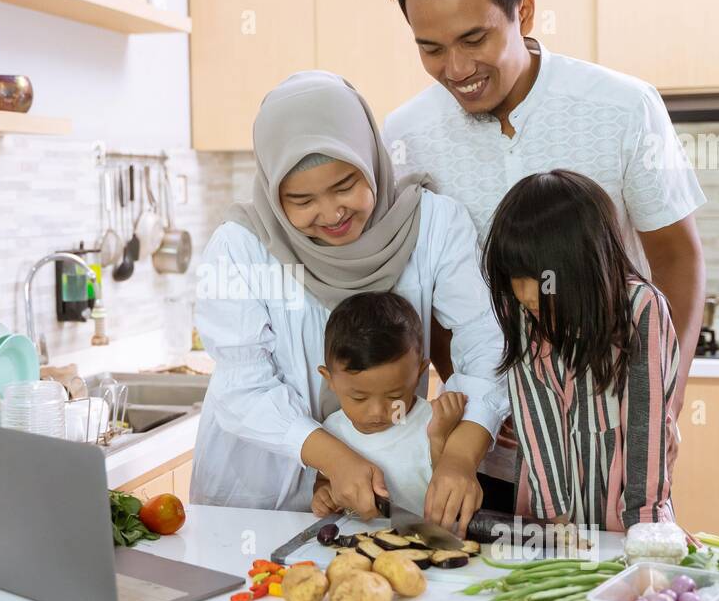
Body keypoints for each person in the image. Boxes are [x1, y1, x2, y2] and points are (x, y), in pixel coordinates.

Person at [383, 0, 706, 503]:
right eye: (430, 49)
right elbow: (428, 298)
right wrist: (466, 399)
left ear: (524, 12)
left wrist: (661, 404)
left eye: (474, 39)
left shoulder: (622, 106)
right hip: (481, 448)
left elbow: (677, 260)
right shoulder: (405, 137)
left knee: (606, 587)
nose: (455, 69)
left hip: (607, 442)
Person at [191, 70, 509, 530]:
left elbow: (487, 343)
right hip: (259, 492)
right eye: (301, 199)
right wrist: (334, 458)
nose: (332, 212)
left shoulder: (432, 225)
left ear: (371, 157)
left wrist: (461, 454)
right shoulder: (241, 247)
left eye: (344, 186)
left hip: (388, 485)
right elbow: (243, 388)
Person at [481, 170, 680, 529]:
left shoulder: (640, 307)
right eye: (515, 276)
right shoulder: (524, 312)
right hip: (547, 503)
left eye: (537, 278)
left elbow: (644, 424)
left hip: (628, 508)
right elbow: (536, 420)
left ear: (581, 263)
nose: (525, 294)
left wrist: (645, 523)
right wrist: (551, 522)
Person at [316, 291, 476, 518]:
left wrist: (440, 438)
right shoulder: (331, 431)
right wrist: (323, 495)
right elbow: (324, 478)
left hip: (424, 545)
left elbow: (451, 490)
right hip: (353, 547)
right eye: (359, 398)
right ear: (329, 379)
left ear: (420, 373)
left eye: (394, 396)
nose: (377, 412)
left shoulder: (434, 421)